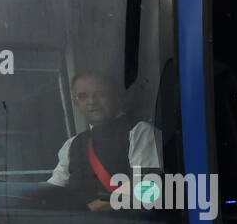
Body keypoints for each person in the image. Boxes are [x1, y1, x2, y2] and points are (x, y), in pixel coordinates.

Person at [47, 72, 160, 211]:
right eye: (83, 96)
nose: (91, 101)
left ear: (116, 97)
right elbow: (53, 187)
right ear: (76, 103)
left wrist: (92, 209)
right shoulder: (72, 144)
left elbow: (148, 185)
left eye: (100, 94)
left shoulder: (140, 132)